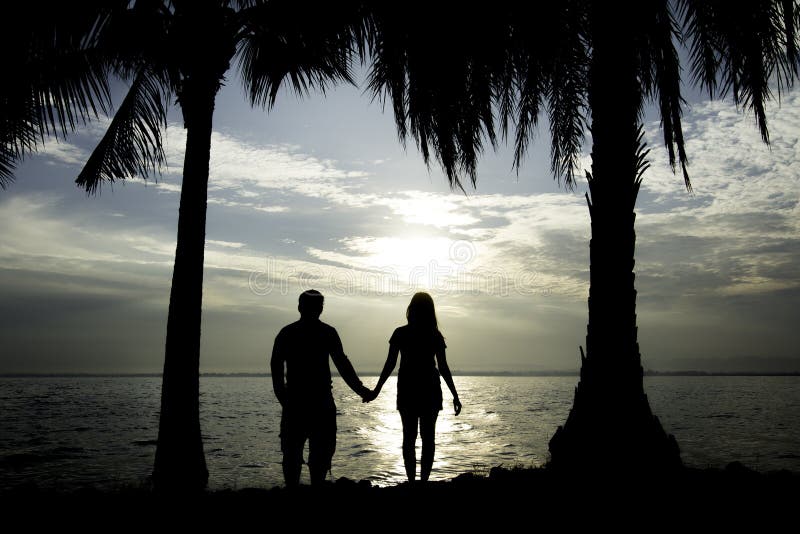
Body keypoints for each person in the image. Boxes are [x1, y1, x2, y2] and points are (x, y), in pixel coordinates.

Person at [270, 289, 371, 487]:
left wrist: (283, 397)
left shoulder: (291, 333)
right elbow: (342, 364)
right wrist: (361, 390)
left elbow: (276, 366)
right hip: (311, 403)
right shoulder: (321, 332)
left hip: (307, 403)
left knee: (304, 455)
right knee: (302, 455)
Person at [365, 292, 462, 483]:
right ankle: (423, 482)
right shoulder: (434, 335)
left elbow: (390, 364)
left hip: (409, 389)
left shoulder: (401, 333)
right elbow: (443, 367)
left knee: (409, 438)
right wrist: (455, 396)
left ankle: (412, 482)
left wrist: (376, 390)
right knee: (428, 439)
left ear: (411, 309)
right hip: (429, 389)